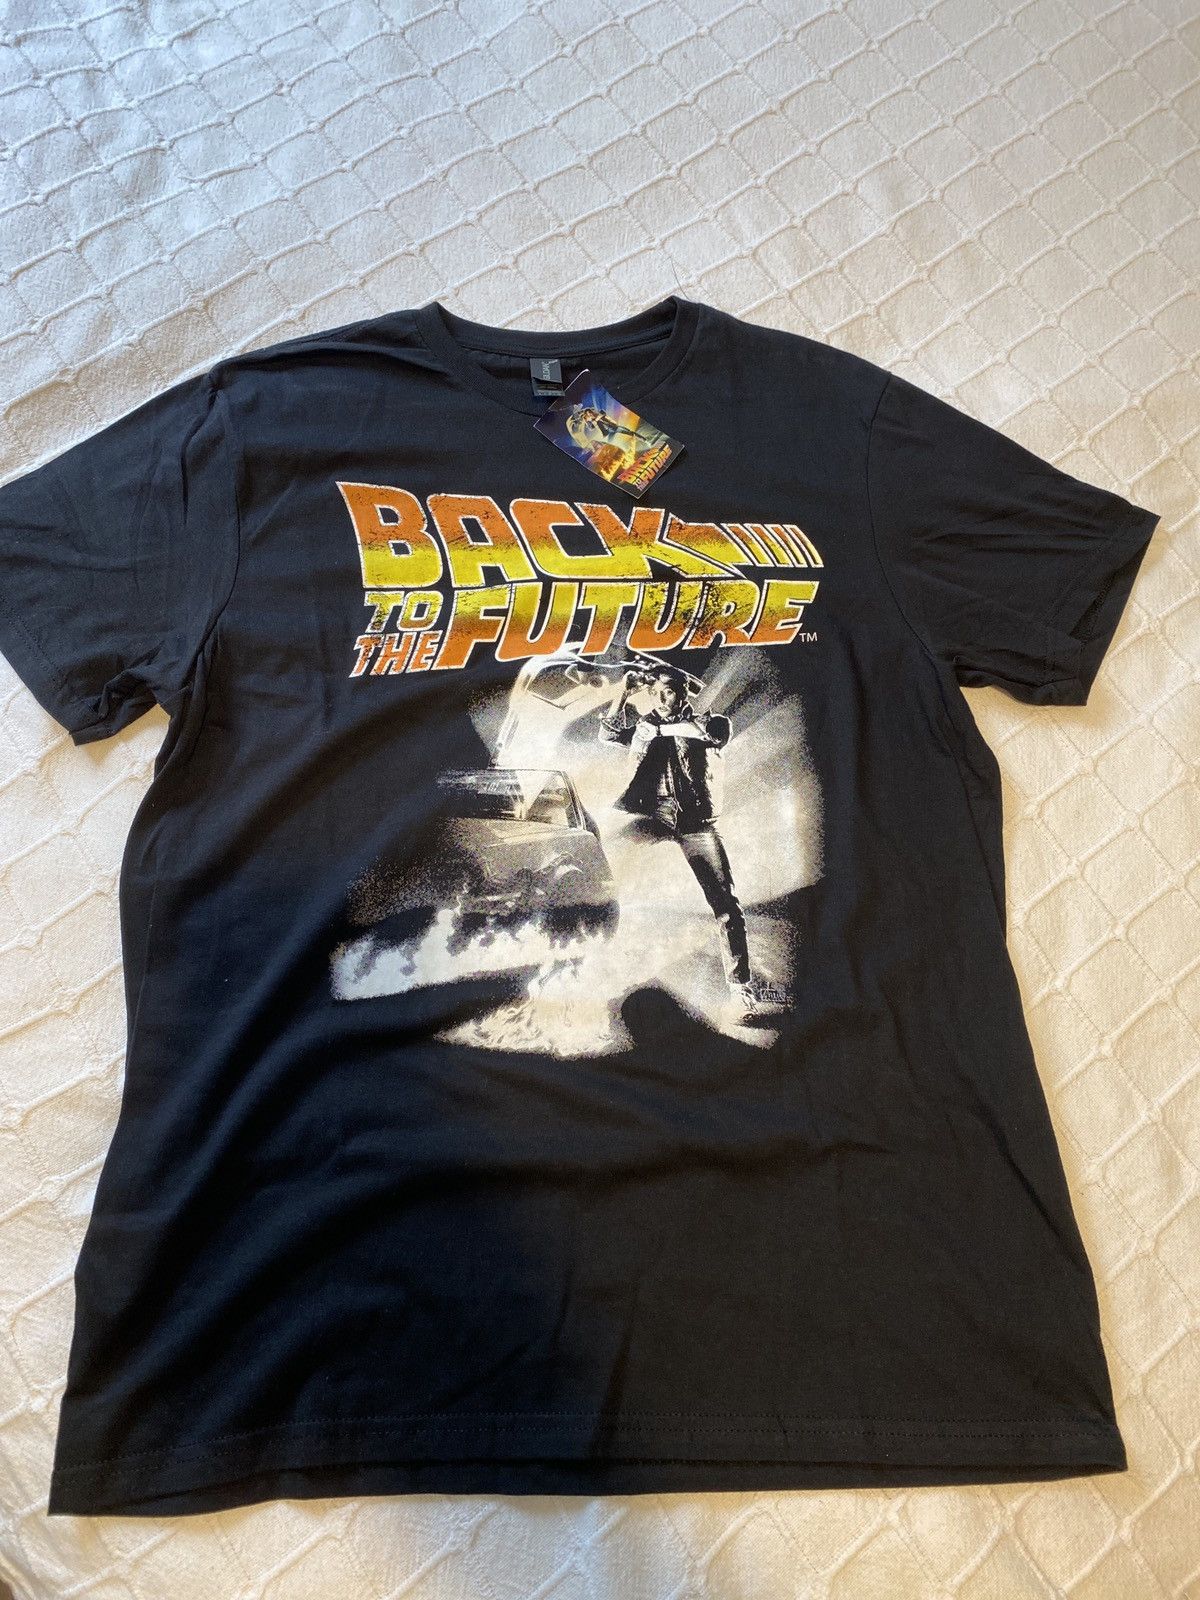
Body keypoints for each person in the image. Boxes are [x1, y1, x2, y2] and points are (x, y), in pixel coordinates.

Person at [599, 663, 772, 1024]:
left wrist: (654, 730)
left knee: (726, 906)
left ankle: (741, 991)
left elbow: (708, 733)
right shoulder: (645, 726)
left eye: (670, 691)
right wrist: (624, 692)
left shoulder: (711, 723)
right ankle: (593, 971)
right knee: (600, 865)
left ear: (682, 692)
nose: (663, 698)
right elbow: (607, 733)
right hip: (652, 817)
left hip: (696, 825)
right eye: (657, 692)